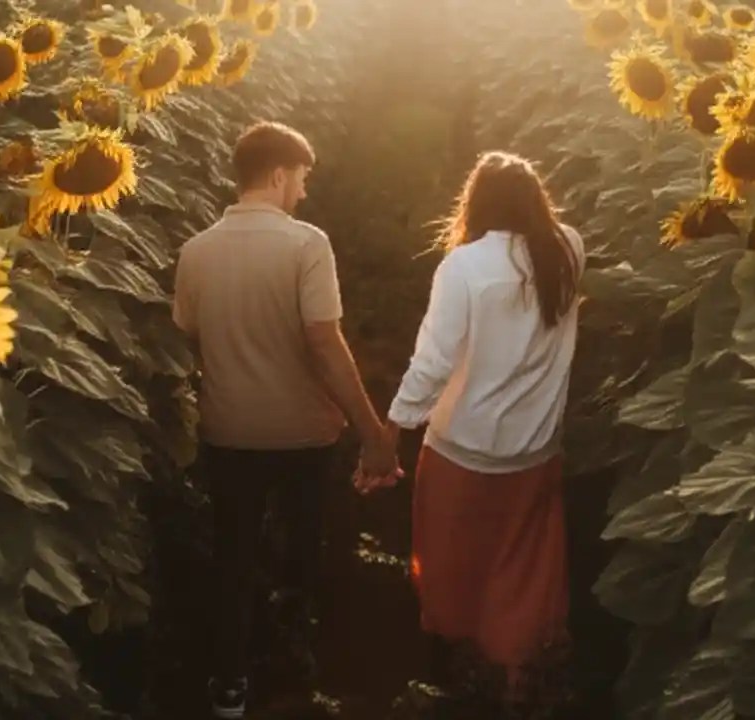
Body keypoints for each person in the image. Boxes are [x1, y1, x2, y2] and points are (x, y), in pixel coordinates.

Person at [173, 121, 400, 719]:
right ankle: (291, 663)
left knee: (234, 554)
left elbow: (192, 333)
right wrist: (371, 432)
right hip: (303, 433)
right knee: (302, 547)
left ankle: (228, 683)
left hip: (226, 431)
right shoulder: (307, 245)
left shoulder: (195, 251)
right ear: (278, 175)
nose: (302, 192)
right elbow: (325, 343)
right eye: (300, 178)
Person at [357, 150, 583, 697]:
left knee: (453, 562)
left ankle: (458, 675)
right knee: (521, 567)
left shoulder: (465, 266)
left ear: (475, 203)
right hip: (535, 448)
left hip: (465, 448)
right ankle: (519, 681)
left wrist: (391, 432)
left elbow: (433, 361)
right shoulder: (567, 249)